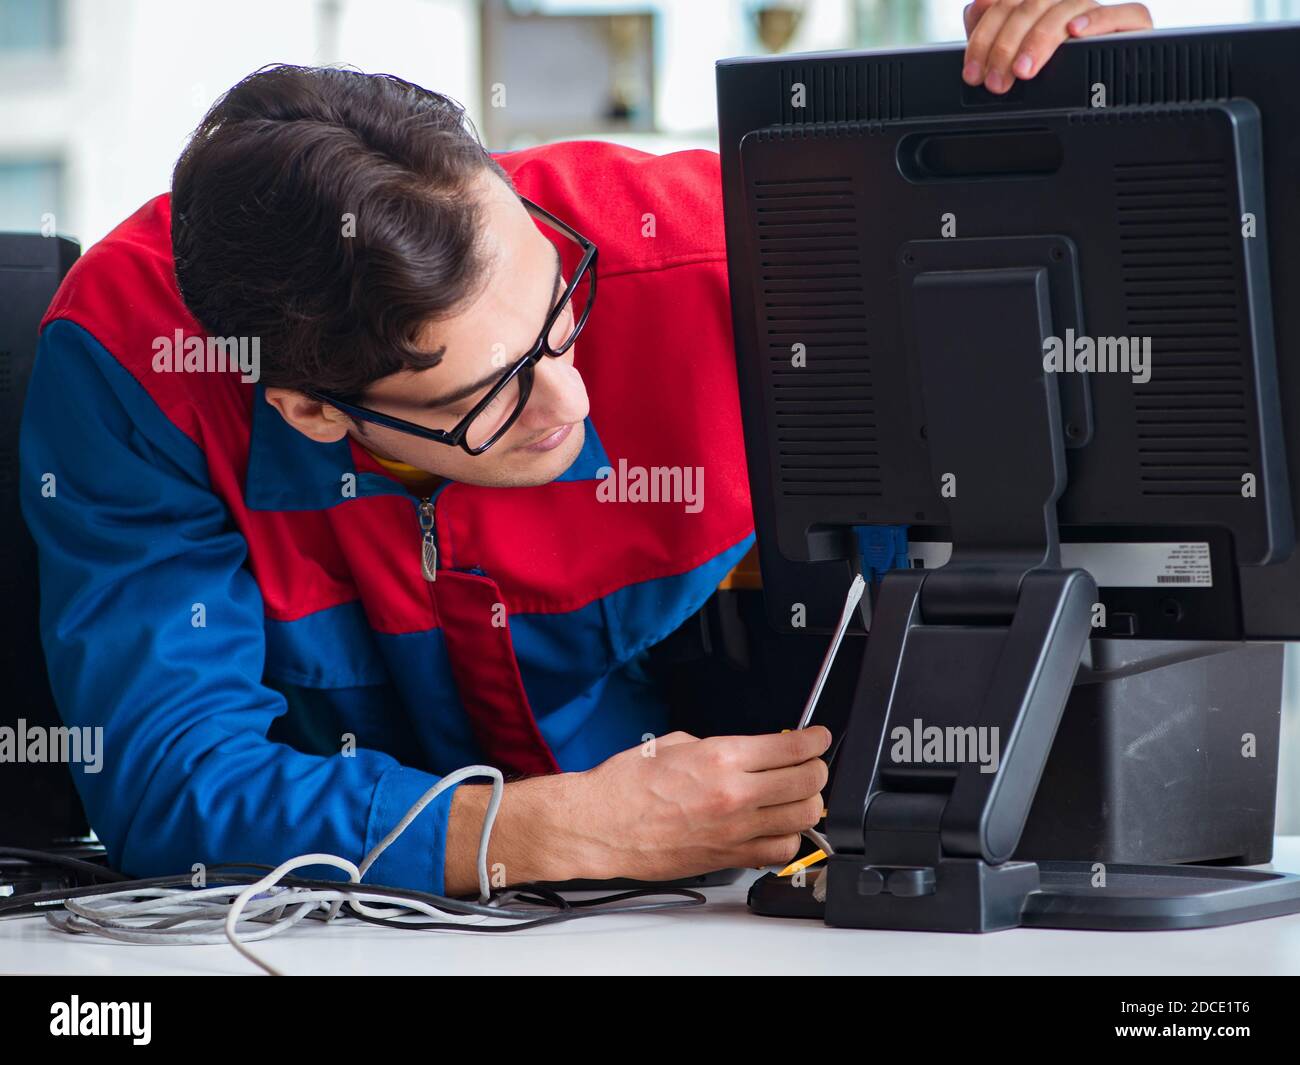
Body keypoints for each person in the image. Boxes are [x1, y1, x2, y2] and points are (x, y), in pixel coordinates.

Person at [19, 2, 1152, 896]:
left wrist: (1123, 125)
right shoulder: (136, 365)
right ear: (313, 410)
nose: (569, 399)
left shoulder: (730, 256)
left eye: (559, 309)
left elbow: (1116, 350)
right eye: (489, 392)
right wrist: (527, 832)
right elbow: (171, 783)